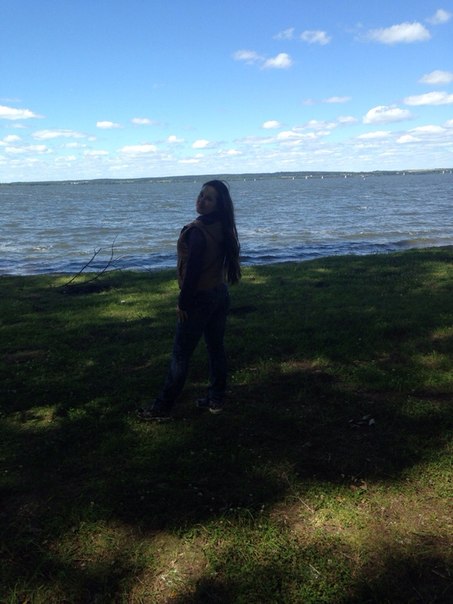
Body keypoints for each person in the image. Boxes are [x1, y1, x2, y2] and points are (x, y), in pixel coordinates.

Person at [137, 179, 241, 421]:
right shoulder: (224, 226)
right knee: (216, 348)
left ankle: (162, 408)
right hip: (219, 293)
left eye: (209, 198)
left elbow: (193, 272)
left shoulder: (197, 232)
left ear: (218, 204)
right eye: (201, 195)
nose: (201, 200)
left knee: (181, 355)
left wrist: (183, 303)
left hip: (199, 299)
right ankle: (216, 397)